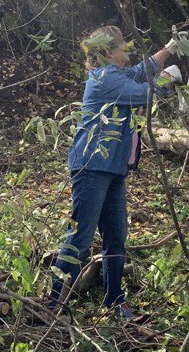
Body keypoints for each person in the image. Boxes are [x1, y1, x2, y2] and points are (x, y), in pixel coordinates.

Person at [46, 26, 180, 319]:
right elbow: (145, 92)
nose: (128, 50)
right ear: (107, 52)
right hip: (92, 166)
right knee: (80, 237)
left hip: (113, 168)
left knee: (116, 236)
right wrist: (168, 78)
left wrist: (170, 47)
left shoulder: (114, 74)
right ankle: (53, 301)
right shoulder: (105, 78)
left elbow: (139, 71)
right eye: (122, 46)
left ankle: (115, 301)